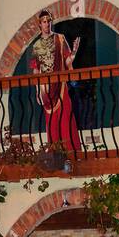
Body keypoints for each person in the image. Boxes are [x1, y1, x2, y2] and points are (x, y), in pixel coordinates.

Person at [29, 10, 81, 152]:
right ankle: (55, 152)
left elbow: (67, 60)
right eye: (44, 22)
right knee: (51, 121)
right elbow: (35, 71)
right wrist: (37, 91)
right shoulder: (36, 46)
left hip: (61, 84)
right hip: (46, 89)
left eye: (49, 21)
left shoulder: (60, 39)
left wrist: (75, 51)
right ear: (40, 25)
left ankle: (70, 150)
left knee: (66, 116)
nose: (47, 24)